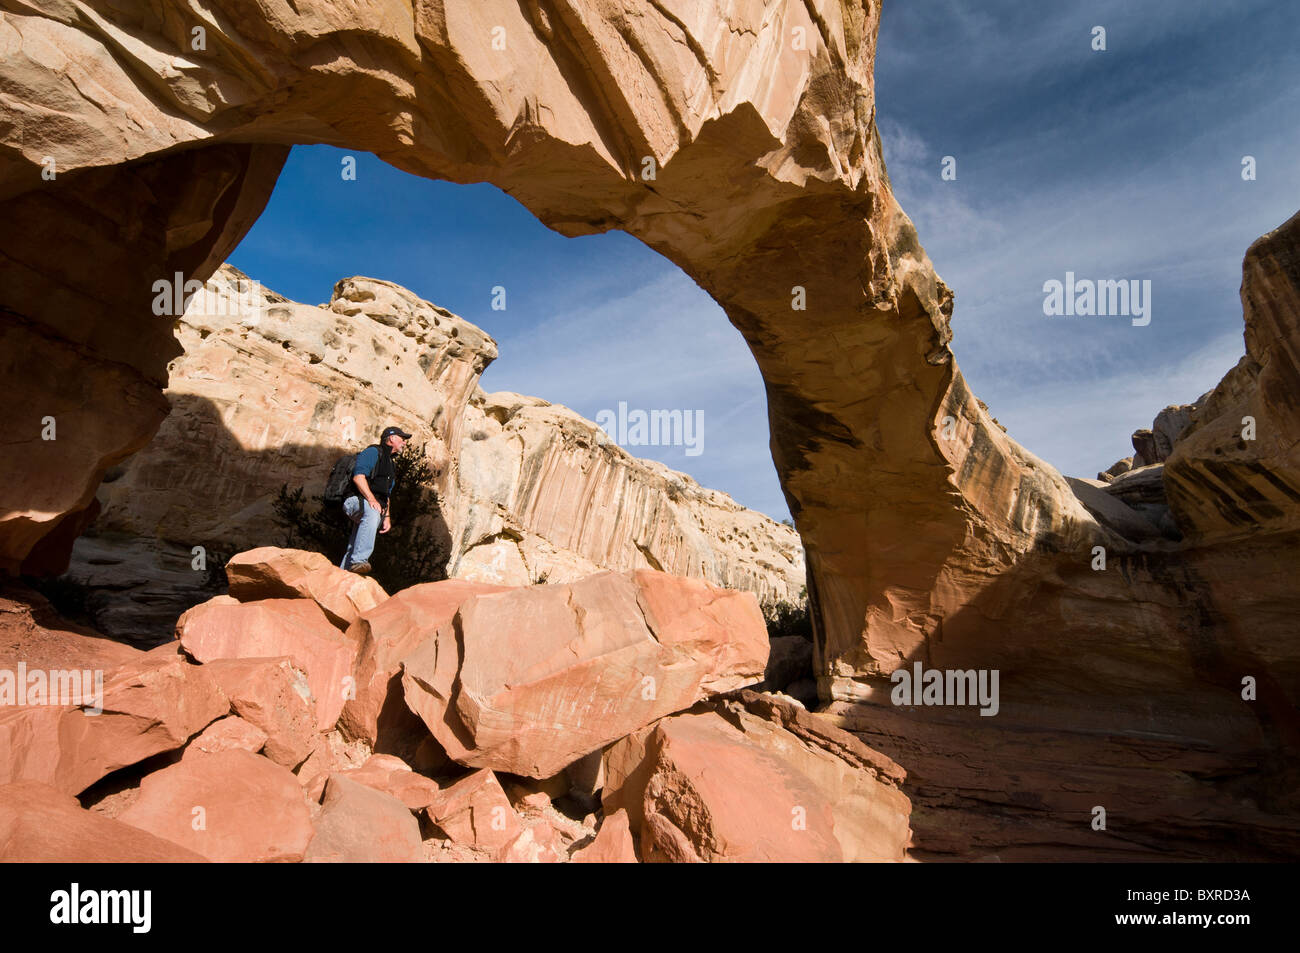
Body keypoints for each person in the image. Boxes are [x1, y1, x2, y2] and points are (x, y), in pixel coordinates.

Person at [340, 425, 411, 574]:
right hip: (354, 501)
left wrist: (387, 517)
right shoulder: (373, 452)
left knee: (356, 541)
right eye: (402, 439)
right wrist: (372, 500)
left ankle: (344, 573)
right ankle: (359, 561)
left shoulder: (391, 464)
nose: (404, 443)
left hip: (370, 506)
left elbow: (386, 494)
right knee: (372, 513)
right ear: (391, 438)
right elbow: (358, 477)